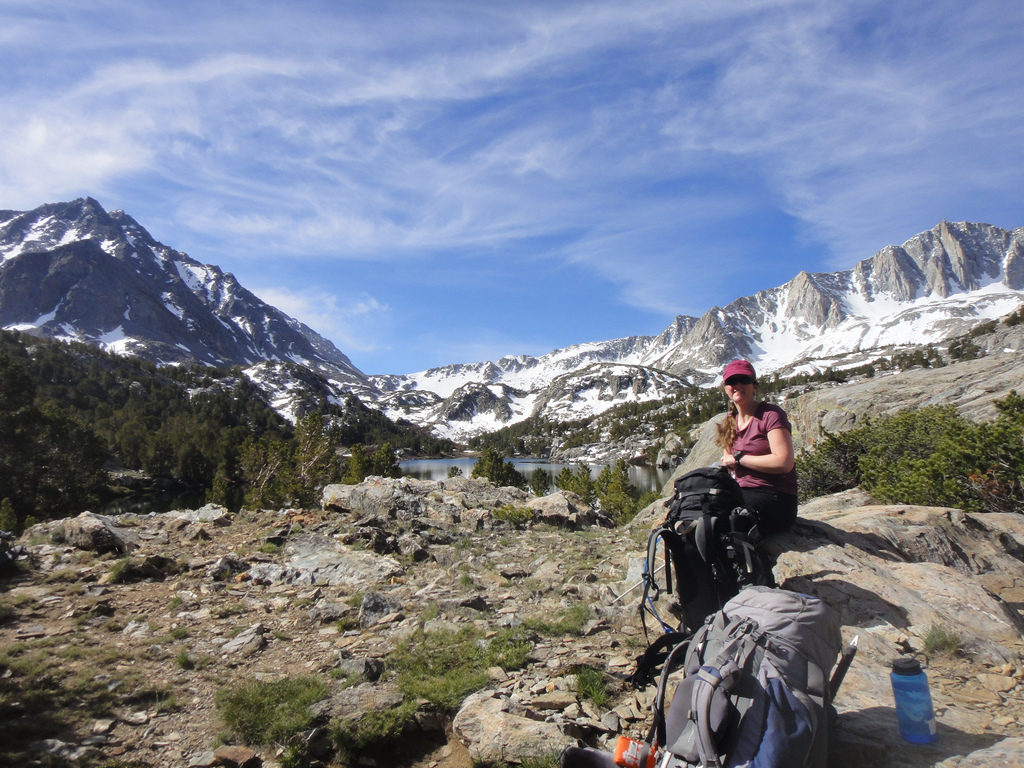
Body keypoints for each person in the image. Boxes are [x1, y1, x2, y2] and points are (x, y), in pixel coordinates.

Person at [716, 359, 798, 535]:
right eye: (731, 381)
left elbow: (784, 462)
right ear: (726, 389)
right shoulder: (729, 422)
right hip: (741, 493)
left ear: (754, 386)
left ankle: (746, 562)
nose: (737, 385)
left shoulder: (771, 415)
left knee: (734, 520)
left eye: (743, 380)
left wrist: (740, 459)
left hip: (776, 496)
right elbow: (727, 464)